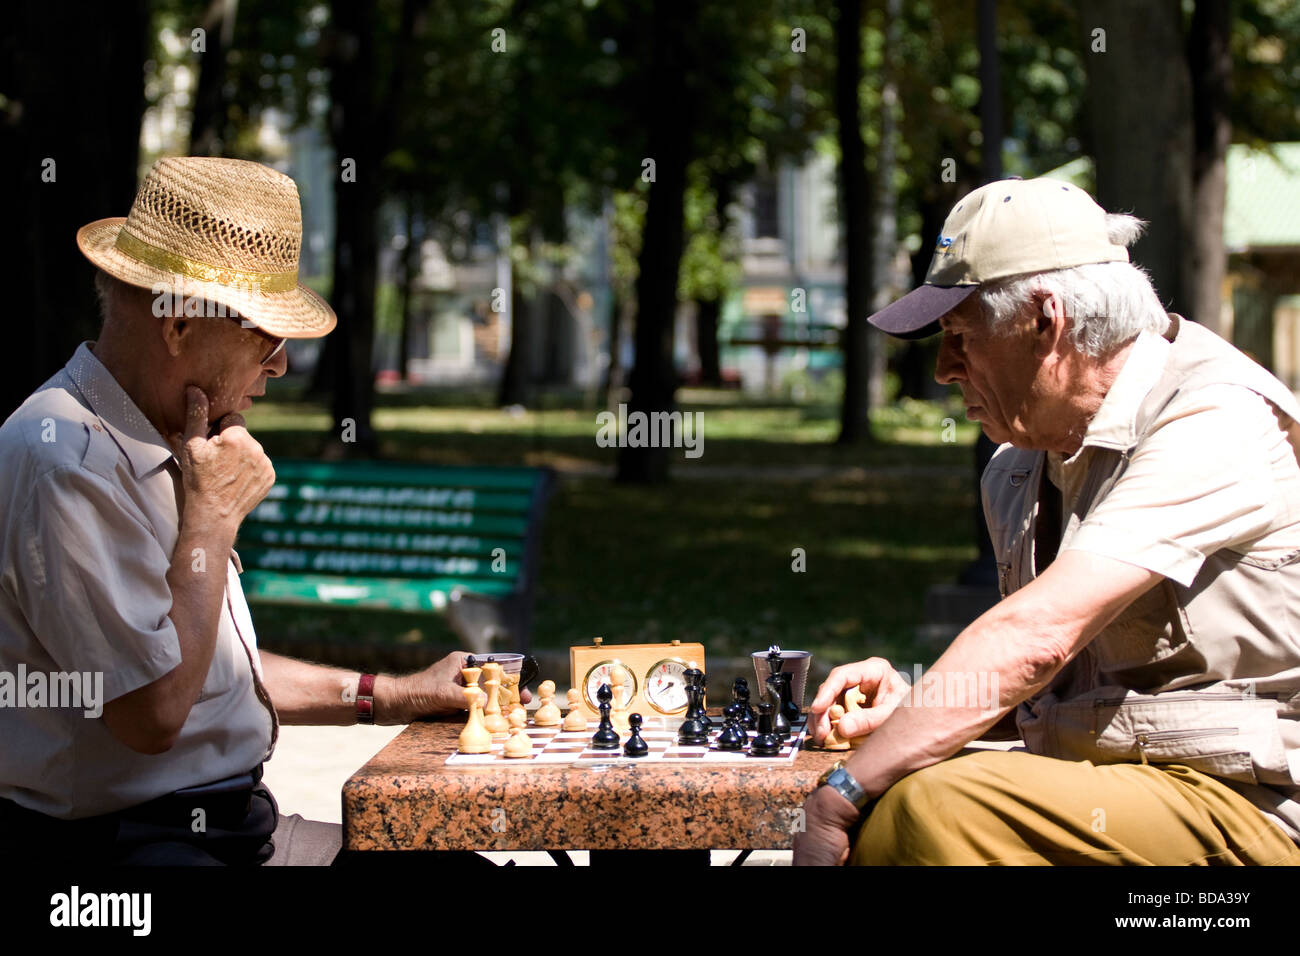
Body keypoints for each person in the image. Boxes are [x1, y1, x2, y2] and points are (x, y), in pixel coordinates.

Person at [794, 177, 1300, 866]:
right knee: (912, 789)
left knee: (931, 811)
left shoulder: (1212, 417)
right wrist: (912, 713)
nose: (944, 370)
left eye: (959, 336)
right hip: (1122, 784)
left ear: (1045, 319)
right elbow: (1060, 684)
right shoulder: (1018, 467)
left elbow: (1038, 638)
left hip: (1253, 807)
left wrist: (843, 789)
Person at [0, 157, 485, 866]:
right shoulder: (63, 460)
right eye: (265, 333)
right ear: (179, 325)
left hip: (232, 829)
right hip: (124, 852)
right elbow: (154, 712)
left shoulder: (163, 437)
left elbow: (209, 664)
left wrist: (396, 693)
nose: (281, 363)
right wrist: (211, 522)